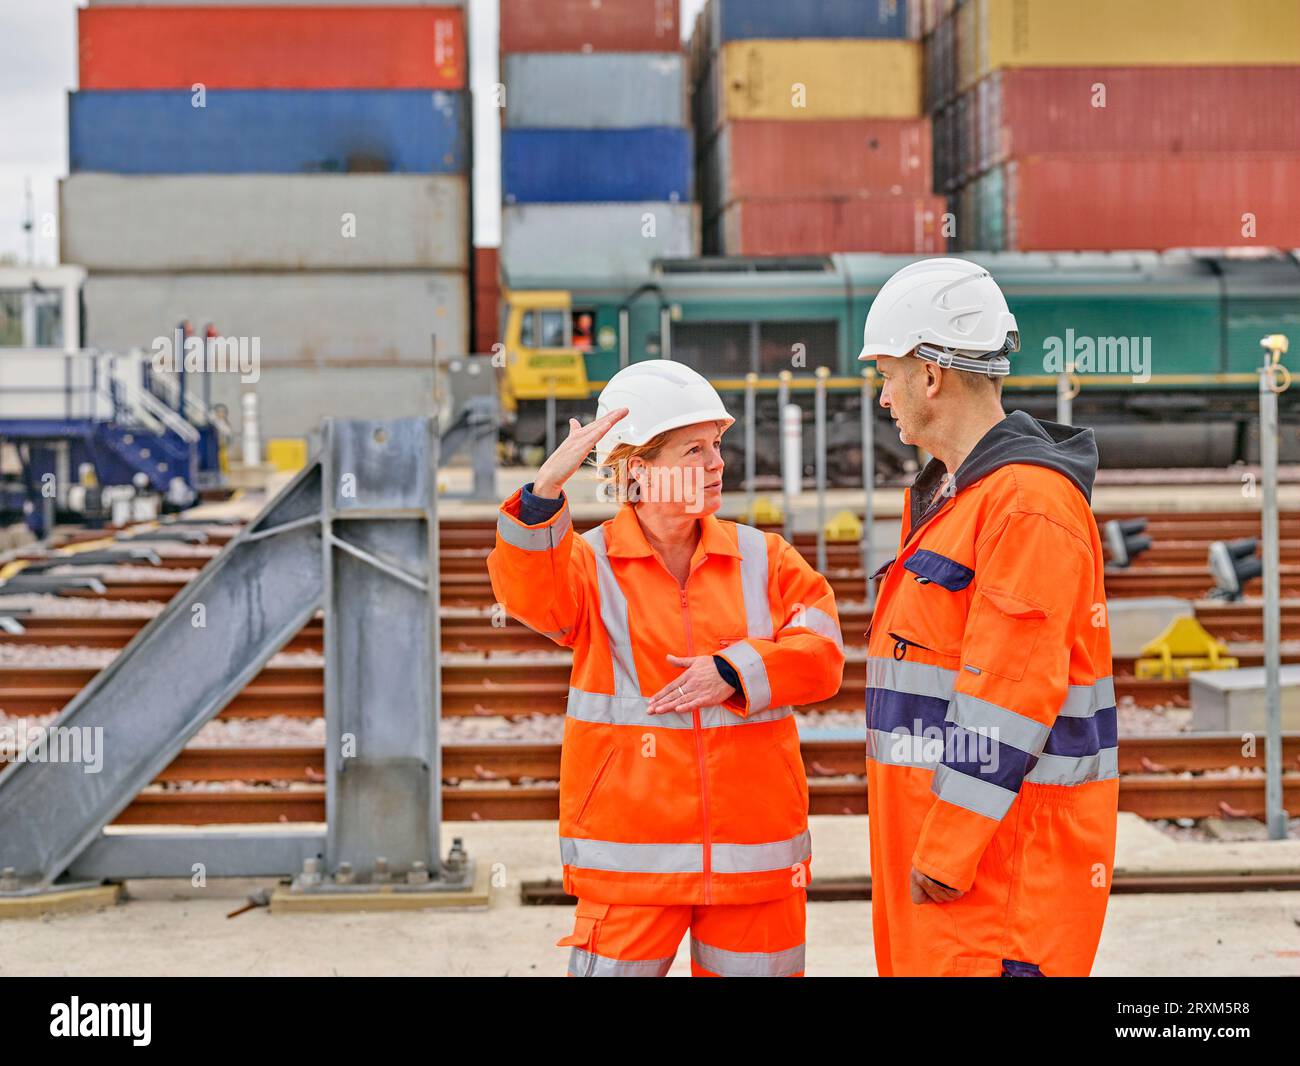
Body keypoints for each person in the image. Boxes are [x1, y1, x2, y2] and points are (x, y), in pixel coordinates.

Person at [486, 360, 845, 977]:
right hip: (631, 862)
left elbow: (823, 656)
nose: (716, 464)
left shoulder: (765, 557)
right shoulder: (588, 564)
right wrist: (544, 491)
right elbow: (528, 596)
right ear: (637, 471)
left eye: (717, 446)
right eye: (693, 450)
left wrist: (734, 672)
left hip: (752, 862)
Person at [858, 258, 1118, 977]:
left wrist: (947, 849)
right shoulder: (960, 500)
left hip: (991, 885)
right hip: (949, 871)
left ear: (931, 376)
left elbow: (1009, 691)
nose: (884, 396)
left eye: (887, 373)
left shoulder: (1025, 505)